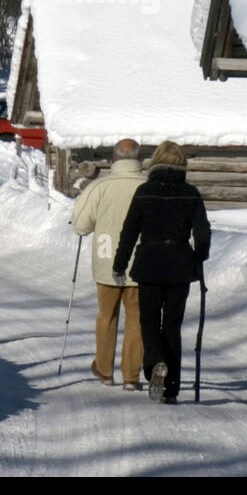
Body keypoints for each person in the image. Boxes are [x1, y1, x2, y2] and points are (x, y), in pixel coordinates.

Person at [113, 141, 210, 404]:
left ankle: (156, 363)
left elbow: (129, 231)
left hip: (150, 264)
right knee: (172, 326)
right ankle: (171, 387)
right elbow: (203, 233)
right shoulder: (191, 193)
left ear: (155, 162)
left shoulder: (144, 191)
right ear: (181, 165)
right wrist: (199, 257)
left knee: (149, 322)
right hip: (179, 265)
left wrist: (119, 265)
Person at [71, 138, 147, 390]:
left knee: (107, 315)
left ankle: (104, 370)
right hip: (140, 261)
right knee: (137, 318)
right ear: (139, 159)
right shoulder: (147, 185)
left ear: (114, 159)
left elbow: (81, 224)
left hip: (106, 260)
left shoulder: (100, 186)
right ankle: (131, 376)